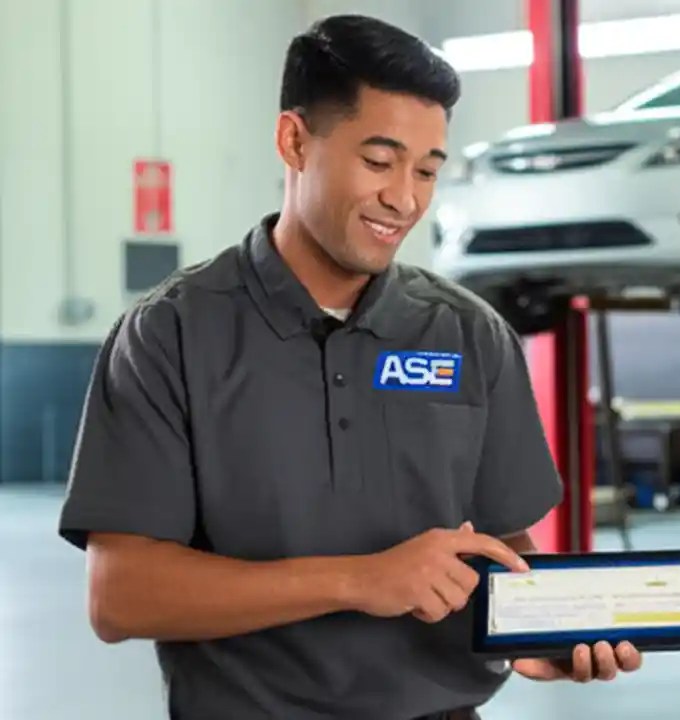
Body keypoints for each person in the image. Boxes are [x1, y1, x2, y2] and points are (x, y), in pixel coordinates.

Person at [58, 14, 640, 720]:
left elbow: (506, 542)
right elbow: (121, 595)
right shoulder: (171, 334)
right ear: (294, 141)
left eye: (427, 170)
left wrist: (535, 635)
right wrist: (361, 580)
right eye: (379, 161)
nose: (405, 198)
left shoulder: (469, 335)